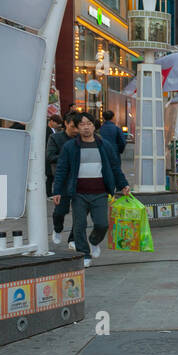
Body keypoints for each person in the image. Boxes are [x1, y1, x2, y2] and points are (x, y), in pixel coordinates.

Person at [52, 112, 129, 267]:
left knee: (102, 224)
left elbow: (115, 167)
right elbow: (61, 169)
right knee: (79, 225)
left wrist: (123, 184)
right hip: (79, 193)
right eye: (82, 124)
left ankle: (94, 241)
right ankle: (84, 254)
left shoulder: (104, 145)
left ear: (94, 126)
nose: (86, 127)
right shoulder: (70, 147)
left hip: (100, 193)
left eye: (89, 124)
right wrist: (57, 190)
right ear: (77, 127)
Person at [46, 114, 77, 246]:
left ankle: (73, 239)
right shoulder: (55, 138)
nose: (76, 130)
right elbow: (50, 156)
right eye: (73, 127)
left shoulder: (84, 138)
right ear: (66, 123)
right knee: (60, 211)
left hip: (80, 179)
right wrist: (68, 157)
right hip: (63, 179)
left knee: (80, 213)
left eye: (78, 127)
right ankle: (57, 228)